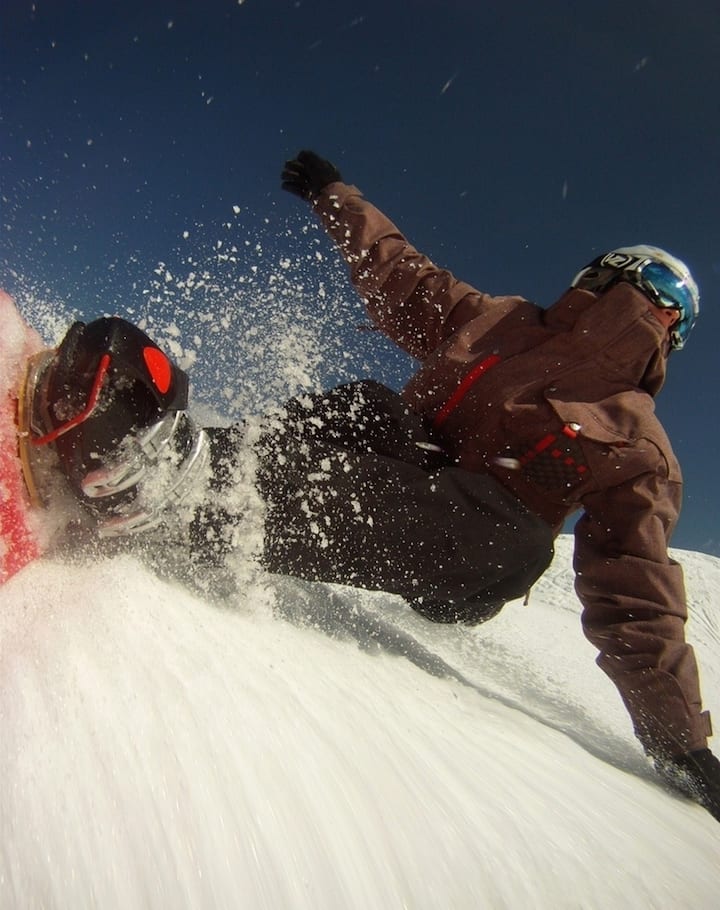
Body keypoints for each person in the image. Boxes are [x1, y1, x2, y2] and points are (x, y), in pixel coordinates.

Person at [19, 150, 719, 823]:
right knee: (376, 406)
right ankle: (194, 463)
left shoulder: (635, 438)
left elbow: (635, 589)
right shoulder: (503, 322)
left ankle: (188, 494)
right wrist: (336, 196)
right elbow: (403, 278)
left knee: (519, 537)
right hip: (402, 478)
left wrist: (680, 741)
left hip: (466, 555)